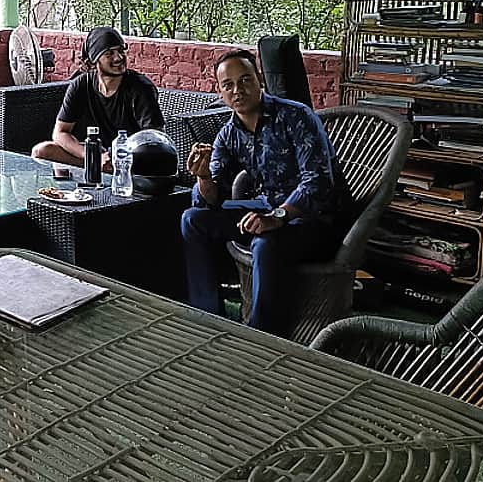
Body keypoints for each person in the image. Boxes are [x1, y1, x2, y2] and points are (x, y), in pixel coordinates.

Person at [181, 48, 352, 337]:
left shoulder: (296, 116)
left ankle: (262, 336)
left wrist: (278, 216)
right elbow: (211, 200)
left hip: (319, 220)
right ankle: (207, 317)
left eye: (245, 80)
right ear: (220, 92)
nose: (238, 90)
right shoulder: (228, 134)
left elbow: (318, 184)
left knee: (265, 241)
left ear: (259, 79)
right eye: (228, 85)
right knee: (193, 219)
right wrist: (204, 177)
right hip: (269, 207)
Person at [31, 26, 163, 171]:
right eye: (109, 53)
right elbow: (60, 132)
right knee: (42, 151)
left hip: (131, 159)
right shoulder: (81, 84)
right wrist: (91, 155)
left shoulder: (141, 88)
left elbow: (154, 140)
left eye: (120, 51)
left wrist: (119, 157)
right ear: (94, 61)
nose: (118, 57)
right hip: (97, 155)